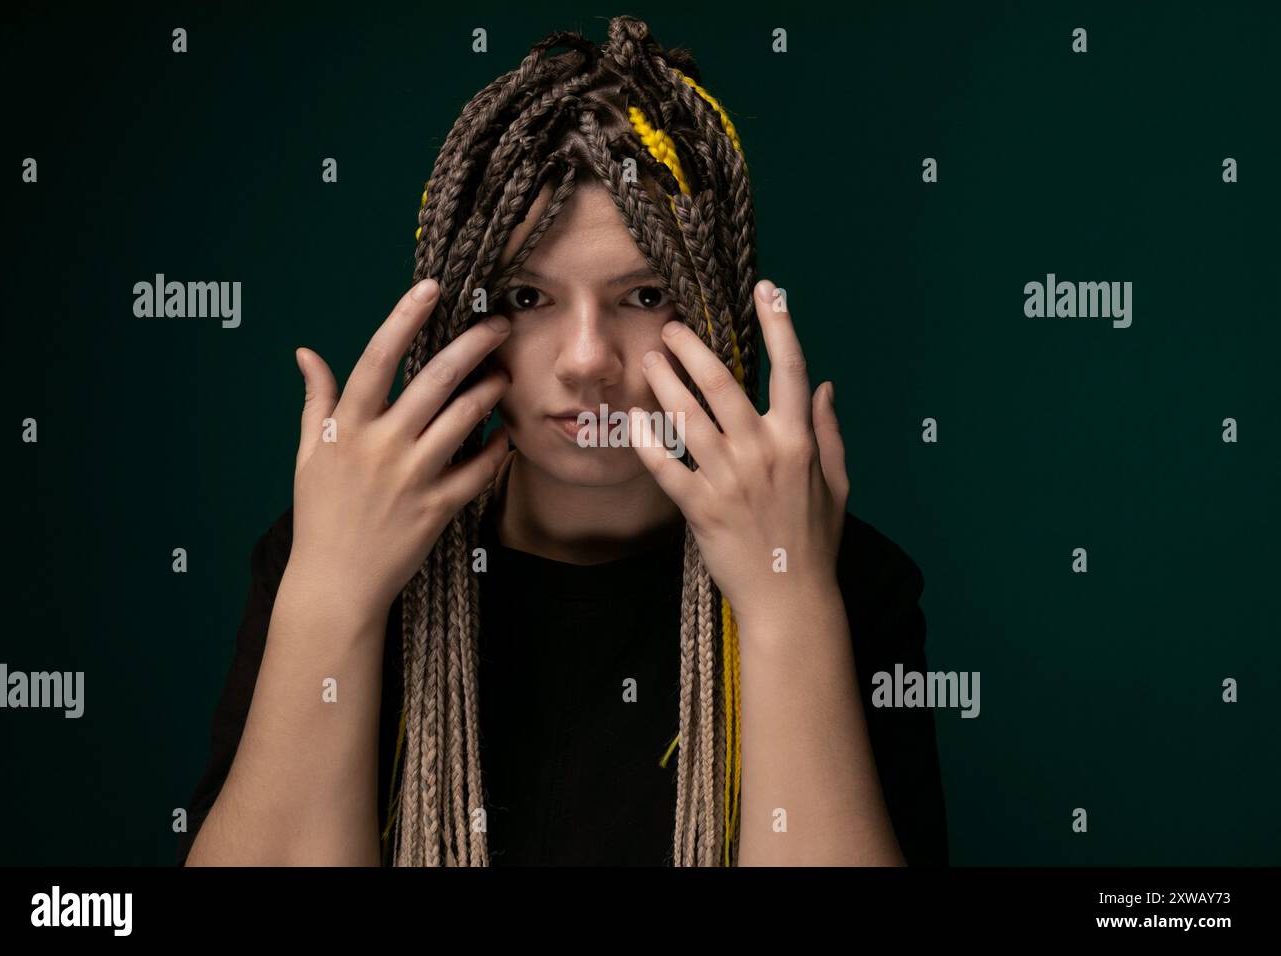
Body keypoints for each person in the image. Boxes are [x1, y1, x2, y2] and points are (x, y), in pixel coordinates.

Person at [179, 15, 947, 867]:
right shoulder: (327, 553)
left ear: (718, 312)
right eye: (528, 298)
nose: (587, 361)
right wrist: (329, 593)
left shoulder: (841, 575)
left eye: (646, 294)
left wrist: (788, 603)